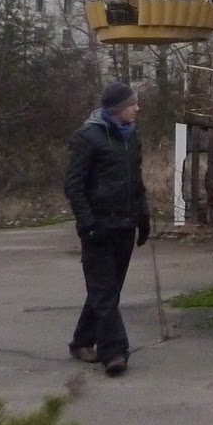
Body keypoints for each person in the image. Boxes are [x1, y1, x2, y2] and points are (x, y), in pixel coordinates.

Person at [63, 81, 151, 377]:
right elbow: (73, 185)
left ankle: (82, 341)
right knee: (104, 291)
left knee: (108, 290)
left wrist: (143, 217)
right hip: (98, 227)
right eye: (132, 104)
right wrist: (87, 223)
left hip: (125, 225)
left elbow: (136, 181)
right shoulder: (88, 137)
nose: (137, 108)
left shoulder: (132, 136)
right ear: (117, 109)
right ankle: (114, 352)